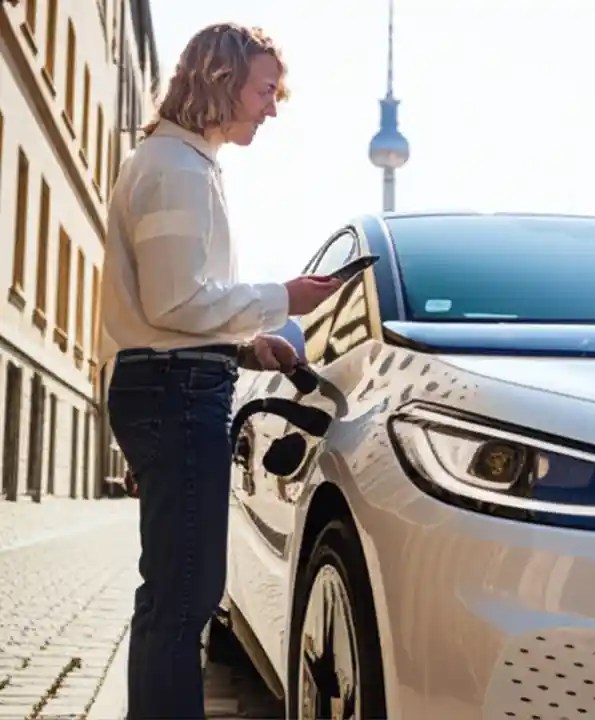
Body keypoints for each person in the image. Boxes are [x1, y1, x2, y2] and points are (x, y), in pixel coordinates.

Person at [98, 23, 343, 719]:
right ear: (220, 79)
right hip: (174, 392)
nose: (271, 108)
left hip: (173, 382)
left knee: (175, 593)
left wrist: (247, 347)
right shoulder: (176, 169)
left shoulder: (184, 163)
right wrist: (281, 299)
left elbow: (173, 308)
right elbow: (174, 301)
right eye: (265, 90)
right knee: (183, 595)